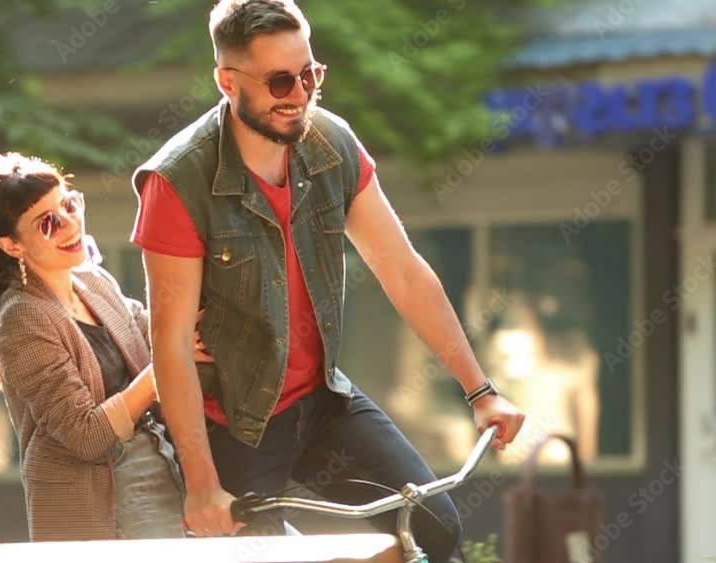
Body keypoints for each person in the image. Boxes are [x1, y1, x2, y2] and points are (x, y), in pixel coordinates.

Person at [129, 1, 526, 561]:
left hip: (322, 398)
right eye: (280, 81)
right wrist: (200, 483)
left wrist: (480, 392)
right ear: (227, 82)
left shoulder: (331, 144)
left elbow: (404, 272)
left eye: (310, 74)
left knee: (431, 526)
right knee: (256, 555)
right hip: (234, 424)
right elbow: (169, 344)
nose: (300, 94)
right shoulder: (177, 181)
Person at [0, 152, 210, 541]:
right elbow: (85, 436)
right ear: (13, 245)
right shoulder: (22, 318)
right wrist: (167, 367)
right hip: (99, 506)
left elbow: (157, 334)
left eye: (69, 204)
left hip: (160, 472)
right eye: (48, 222)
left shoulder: (93, 280)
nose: (70, 223)